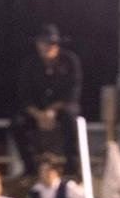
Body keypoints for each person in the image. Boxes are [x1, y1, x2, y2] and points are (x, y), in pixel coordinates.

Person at [13, 24, 83, 174]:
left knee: (71, 119)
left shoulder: (70, 61)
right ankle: (30, 168)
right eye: (44, 43)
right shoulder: (30, 64)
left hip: (62, 107)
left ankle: (72, 167)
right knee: (18, 123)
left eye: (52, 43)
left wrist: (52, 110)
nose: (48, 47)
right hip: (37, 110)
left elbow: (73, 92)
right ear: (37, 45)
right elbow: (24, 94)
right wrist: (38, 113)